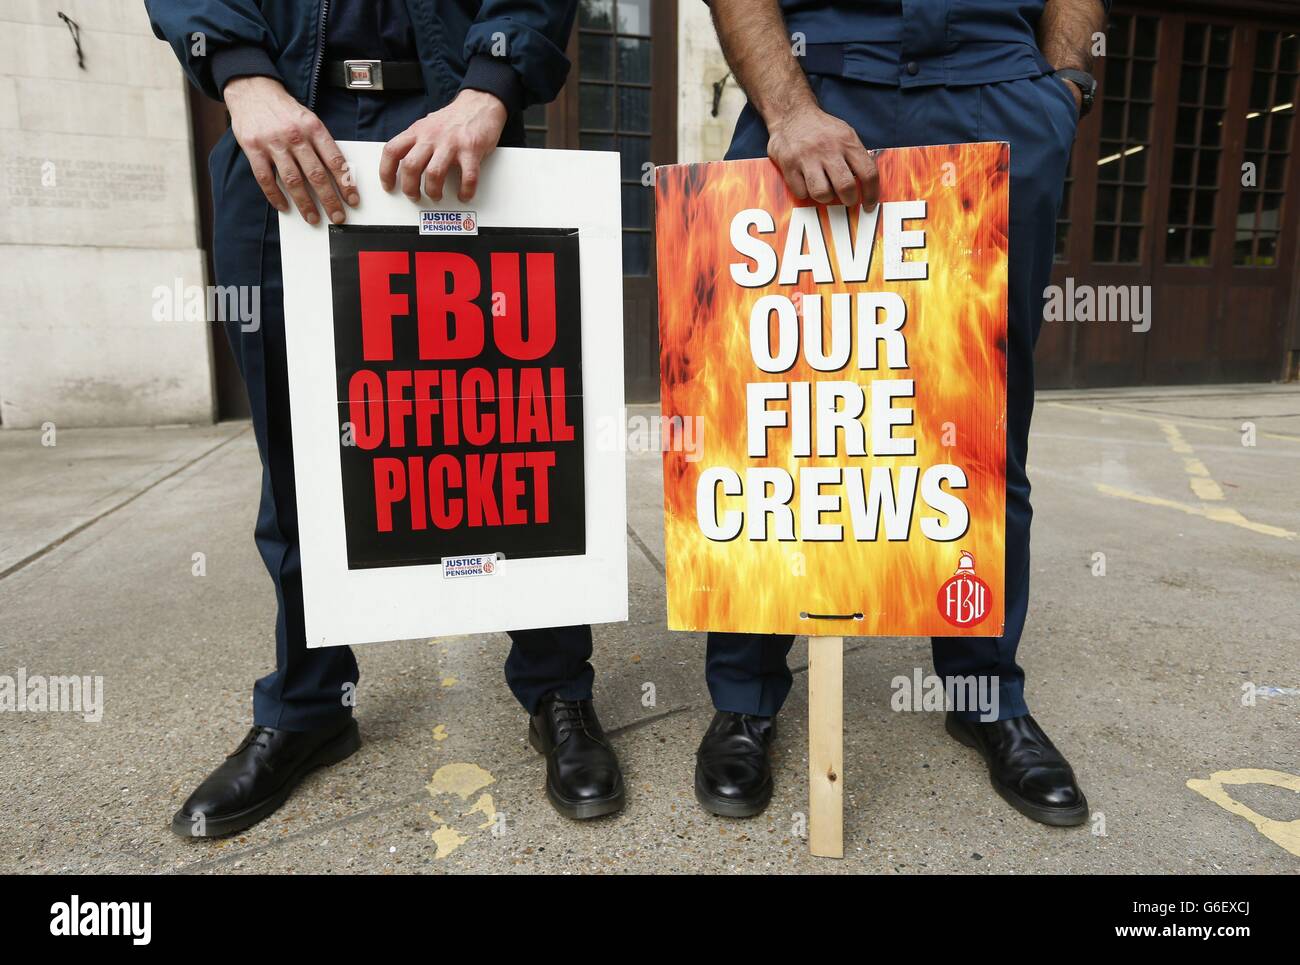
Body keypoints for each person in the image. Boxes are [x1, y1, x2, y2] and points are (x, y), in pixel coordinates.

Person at [146, 0, 625, 836]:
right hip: (281, 126)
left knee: (511, 427)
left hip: (460, 117)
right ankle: (308, 704)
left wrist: (494, 84)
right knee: (298, 460)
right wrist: (239, 71)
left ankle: (558, 691)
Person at [696, 0, 1106, 826]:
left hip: (999, 85)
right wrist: (788, 106)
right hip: (818, 78)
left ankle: (985, 693)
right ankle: (745, 697)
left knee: (978, 427)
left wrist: (1062, 86)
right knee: (775, 425)